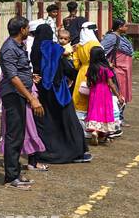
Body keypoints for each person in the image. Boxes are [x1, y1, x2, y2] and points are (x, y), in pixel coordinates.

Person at [28, 23, 92, 163]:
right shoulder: (54, 48)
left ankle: (46, 152)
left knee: (46, 122)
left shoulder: (35, 50)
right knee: (68, 120)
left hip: (42, 92)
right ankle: (75, 152)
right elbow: (65, 65)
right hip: (58, 90)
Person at [0, 16, 45, 190]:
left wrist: (30, 77)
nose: (28, 31)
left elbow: (19, 71)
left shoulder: (19, 45)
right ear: (22, 30)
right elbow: (13, 78)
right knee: (13, 136)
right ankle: (10, 177)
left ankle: (15, 173)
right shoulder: (9, 48)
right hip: (14, 95)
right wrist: (32, 98)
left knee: (18, 136)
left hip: (20, 94)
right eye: (26, 28)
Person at [83, 45, 122, 145]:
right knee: (104, 111)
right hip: (105, 92)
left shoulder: (91, 68)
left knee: (94, 111)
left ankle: (95, 131)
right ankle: (99, 132)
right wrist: (118, 95)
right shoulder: (105, 69)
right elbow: (111, 84)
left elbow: (89, 82)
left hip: (94, 91)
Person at [101, 18, 134, 125]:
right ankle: (117, 117)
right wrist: (108, 64)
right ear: (120, 27)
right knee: (117, 94)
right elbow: (101, 51)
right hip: (117, 70)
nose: (127, 28)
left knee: (123, 92)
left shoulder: (121, 37)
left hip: (124, 71)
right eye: (125, 26)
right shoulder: (111, 38)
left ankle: (119, 117)